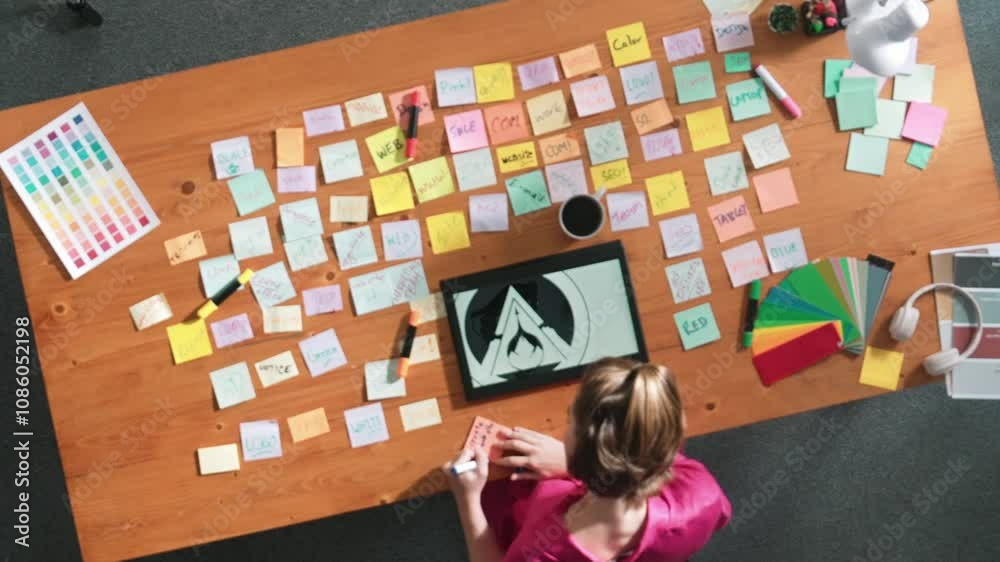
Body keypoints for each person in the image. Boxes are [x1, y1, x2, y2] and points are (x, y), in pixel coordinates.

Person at [443, 358, 731, 562]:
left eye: (571, 418)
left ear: (579, 443)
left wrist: (467, 501)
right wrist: (572, 466)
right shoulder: (700, 495)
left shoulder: (541, 550)